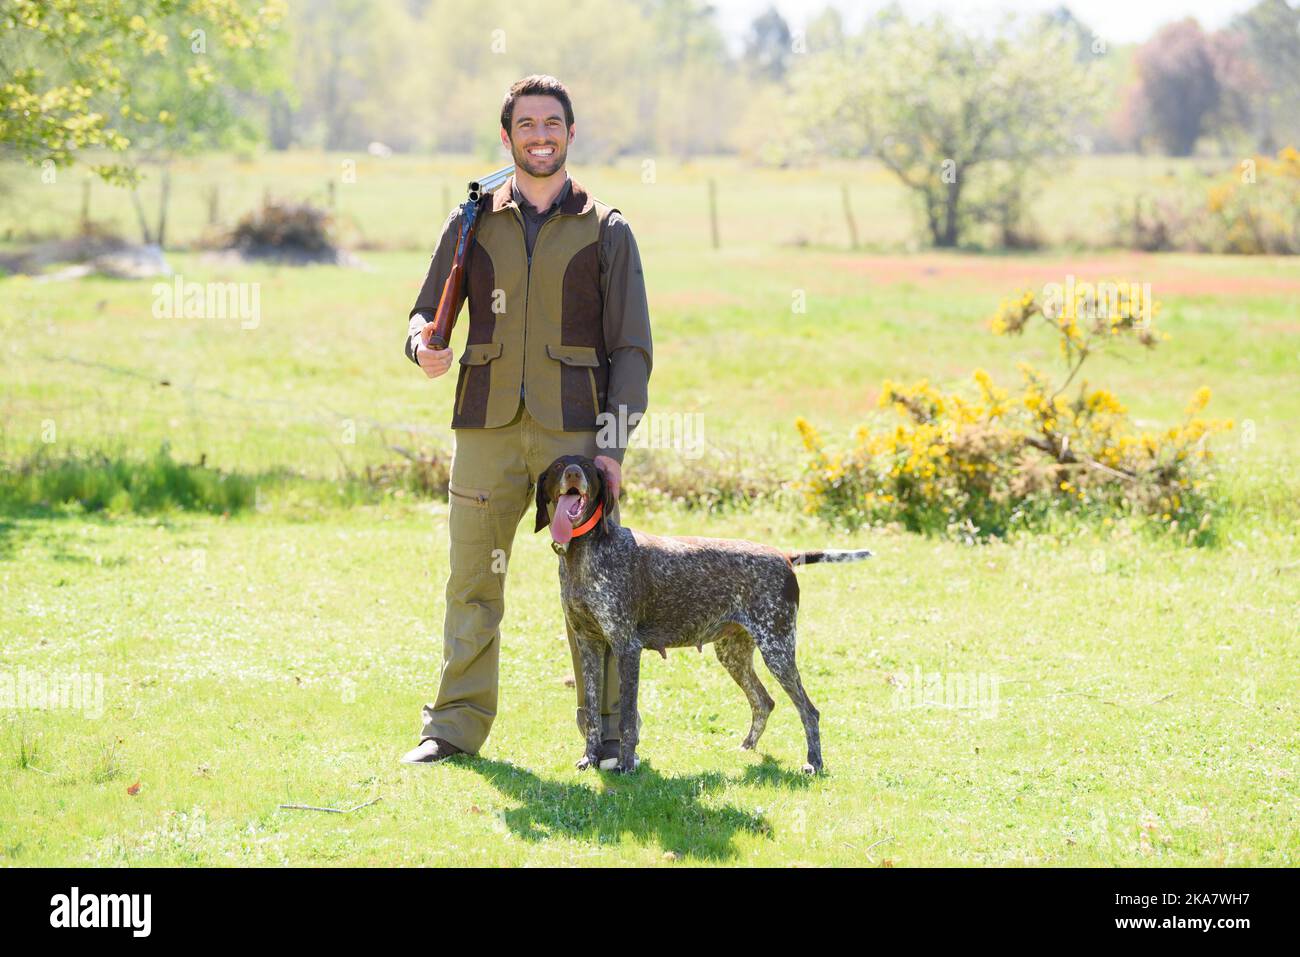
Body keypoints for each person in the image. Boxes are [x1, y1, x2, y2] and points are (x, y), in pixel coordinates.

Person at [400, 74, 652, 766]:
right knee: (473, 582)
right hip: (484, 429)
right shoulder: (471, 221)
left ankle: (606, 737)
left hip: (574, 440)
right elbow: (424, 314)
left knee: (595, 590)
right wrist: (424, 344)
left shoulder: (608, 231)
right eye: (527, 125)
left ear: (571, 134)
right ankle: (451, 728)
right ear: (507, 137)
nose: (540, 136)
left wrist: (613, 447)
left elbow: (631, 350)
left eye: (552, 124)